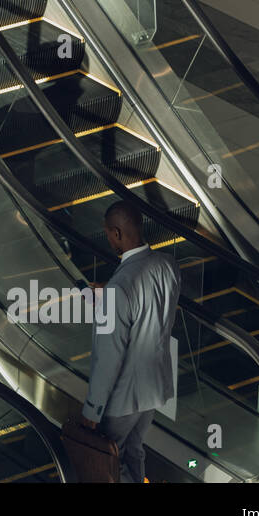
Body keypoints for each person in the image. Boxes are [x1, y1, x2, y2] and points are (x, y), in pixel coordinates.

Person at [80, 200, 181, 483]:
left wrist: (93, 409)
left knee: (113, 460)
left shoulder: (119, 288)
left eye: (109, 234)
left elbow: (109, 357)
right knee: (135, 451)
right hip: (153, 390)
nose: (109, 239)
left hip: (123, 398)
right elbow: (149, 307)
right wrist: (110, 296)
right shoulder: (168, 266)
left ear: (117, 233)